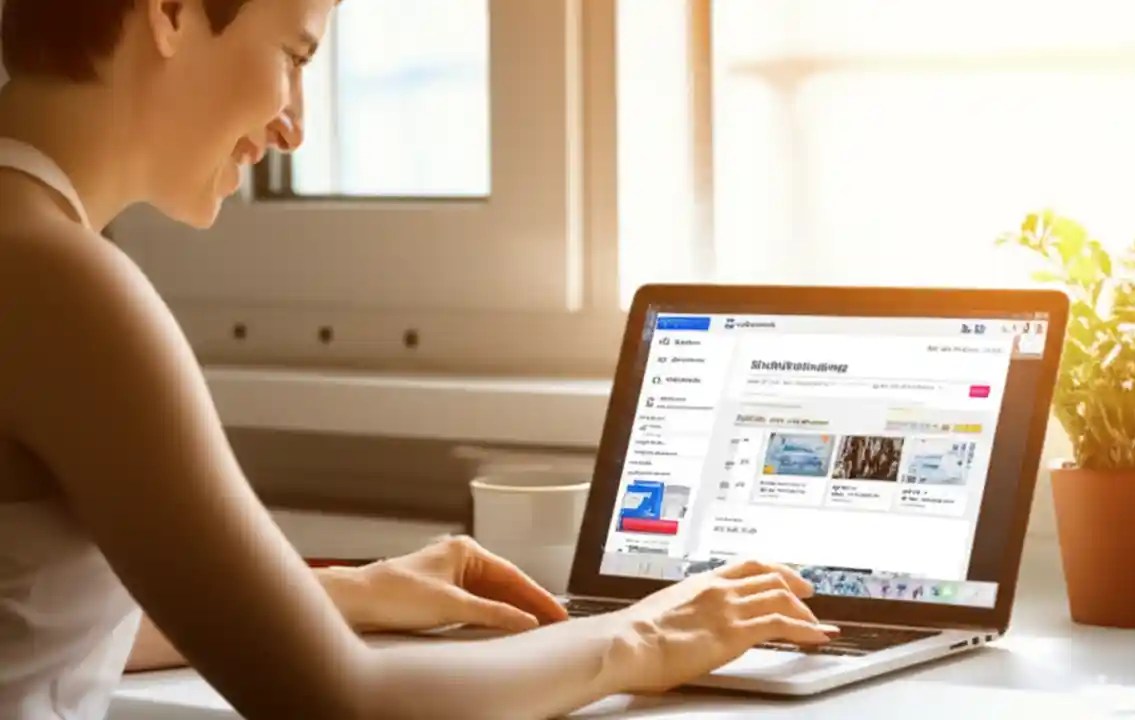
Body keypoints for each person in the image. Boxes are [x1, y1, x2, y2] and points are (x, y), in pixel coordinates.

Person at [0, 1, 838, 718]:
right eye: (293, 54)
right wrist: (645, 633)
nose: (294, 123)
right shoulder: (60, 283)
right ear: (171, 12)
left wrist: (350, 593)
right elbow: (335, 700)